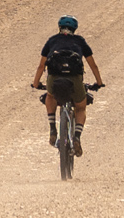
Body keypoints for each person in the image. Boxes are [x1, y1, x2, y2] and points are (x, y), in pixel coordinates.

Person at [31, 14, 104, 158]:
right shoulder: (79, 41)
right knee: (81, 107)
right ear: (74, 29)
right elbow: (92, 65)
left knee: (50, 96)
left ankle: (52, 128)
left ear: (59, 27)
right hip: (75, 79)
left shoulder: (52, 40)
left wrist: (36, 83)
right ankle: (76, 136)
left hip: (54, 78)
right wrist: (99, 82)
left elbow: (41, 66)